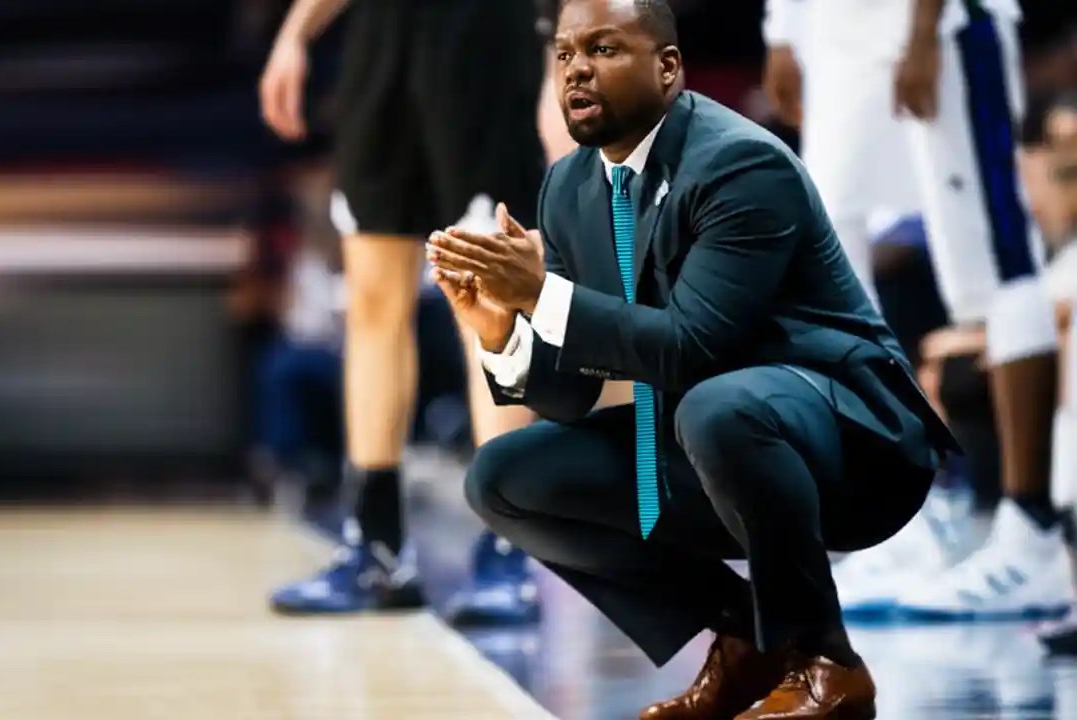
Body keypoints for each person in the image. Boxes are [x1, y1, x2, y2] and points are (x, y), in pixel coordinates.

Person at [425, 0, 957, 716]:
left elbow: (693, 345)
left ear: (668, 68)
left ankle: (826, 659)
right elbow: (568, 398)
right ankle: (752, 636)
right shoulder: (570, 186)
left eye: (605, 50)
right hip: (713, 439)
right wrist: (503, 328)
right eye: (566, 54)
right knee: (504, 476)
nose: (578, 69)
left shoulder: (739, 163)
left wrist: (544, 293)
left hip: (852, 441)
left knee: (717, 406)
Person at [762, 0, 1071, 619]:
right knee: (833, 252)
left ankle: (1031, 535)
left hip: (940, 20)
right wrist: (785, 32)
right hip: (839, 29)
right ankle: (907, 522)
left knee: (999, 259)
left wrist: (926, 26)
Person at [256, 0, 546, 625]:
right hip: (382, 46)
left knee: (486, 295)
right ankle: (375, 546)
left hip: (487, 42)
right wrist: (296, 33)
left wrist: (565, 54)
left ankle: (509, 548)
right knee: (370, 298)